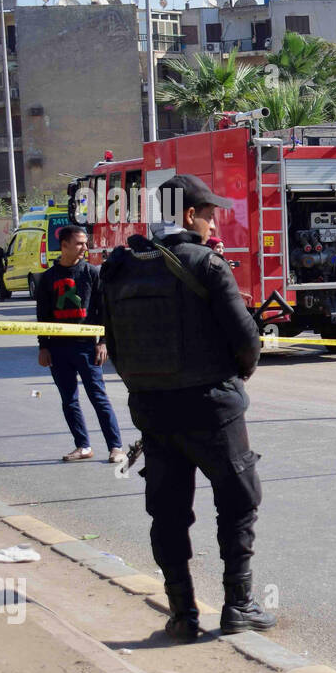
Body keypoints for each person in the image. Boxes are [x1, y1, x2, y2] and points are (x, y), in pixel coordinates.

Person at [100, 174, 273, 642]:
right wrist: (232, 382)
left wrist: (149, 388)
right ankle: (238, 605)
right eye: (209, 214)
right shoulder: (206, 263)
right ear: (189, 216)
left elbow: (114, 346)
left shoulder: (118, 267)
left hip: (153, 412)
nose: (214, 222)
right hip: (212, 408)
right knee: (237, 503)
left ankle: (182, 614)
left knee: (168, 512)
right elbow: (247, 340)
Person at [35, 225, 125, 463]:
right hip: (58, 348)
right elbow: (42, 314)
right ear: (64, 246)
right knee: (69, 399)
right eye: (79, 243)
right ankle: (83, 445)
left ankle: (115, 446)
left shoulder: (91, 273)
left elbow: (103, 310)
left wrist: (102, 342)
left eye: (86, 243)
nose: (85, 247)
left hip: (87, 347)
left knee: (98, 397)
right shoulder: (48, 278)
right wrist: (43, 347)